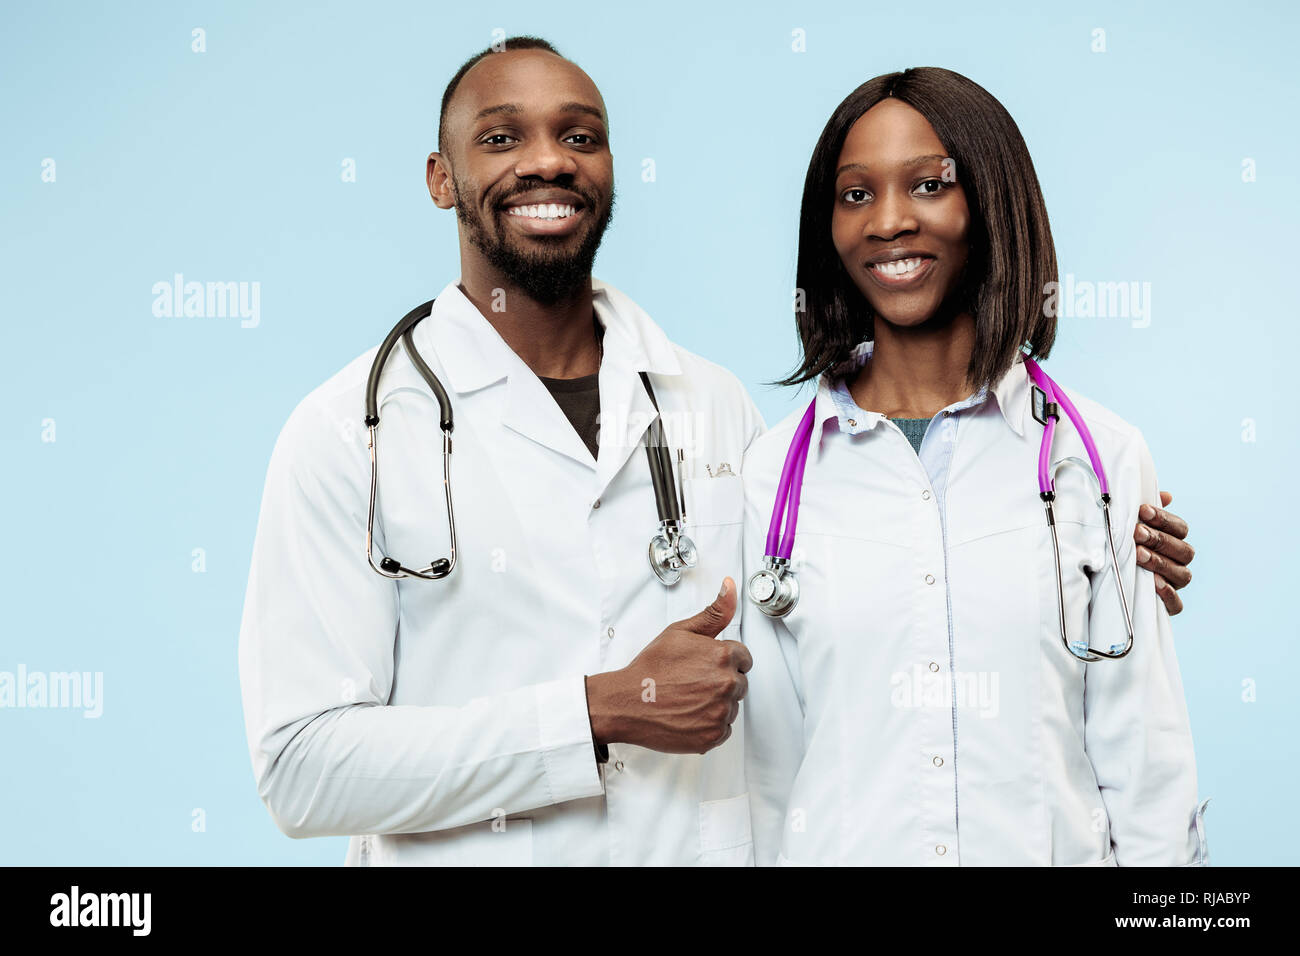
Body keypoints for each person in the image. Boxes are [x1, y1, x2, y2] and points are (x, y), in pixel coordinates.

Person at [238, 40, 1196, 866]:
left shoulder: (720, 416)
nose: (548, 163)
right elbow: (298, 770)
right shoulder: (347, 435)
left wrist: (1119, 541)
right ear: (441, 176)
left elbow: (869, 655)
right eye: (501, 137)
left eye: (580, 136)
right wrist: (596, 710)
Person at [741, 67, 1207, 866]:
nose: (888, 221)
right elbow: (769, 781)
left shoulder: (1098, 460)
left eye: (928, 185)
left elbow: (1145, 765)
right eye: (855, 195)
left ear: (991, 203)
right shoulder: (770, 477)